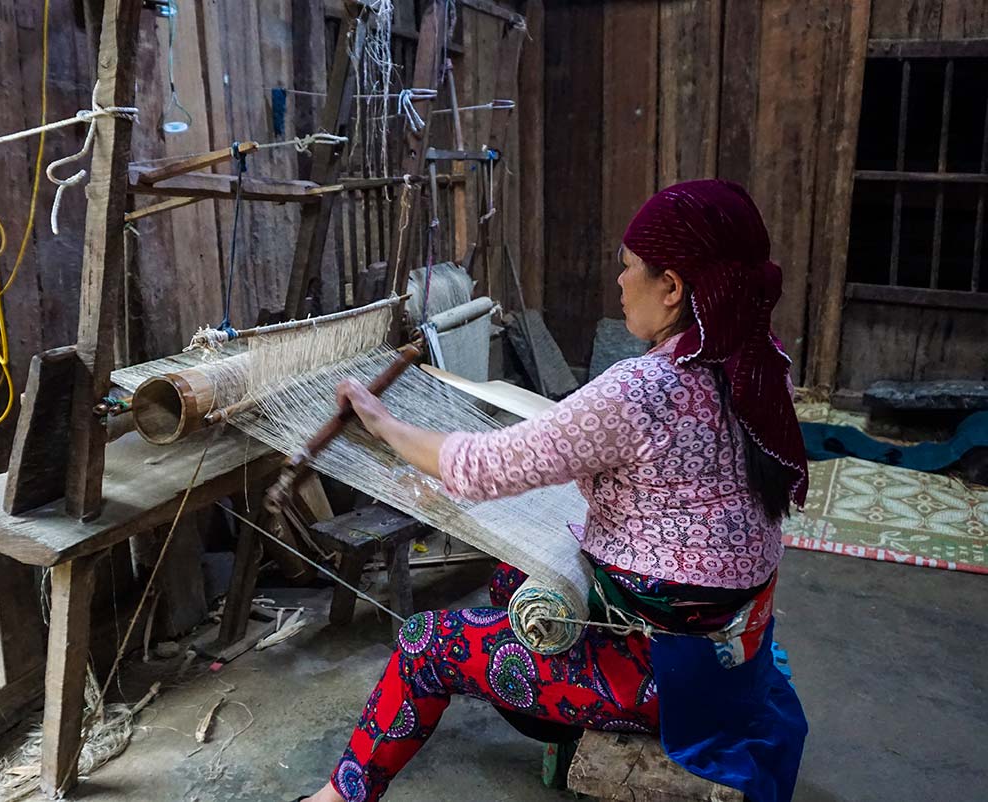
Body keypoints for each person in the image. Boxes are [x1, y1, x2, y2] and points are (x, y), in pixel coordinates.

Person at [299, 179, 809, 802]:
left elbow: (483, 466)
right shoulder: (757, 362)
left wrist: (380, 421)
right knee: (515, 580)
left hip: (673, 684)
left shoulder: (639, 391)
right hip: (733, 649)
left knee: (424, 644)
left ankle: (336, 798)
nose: (620, 283)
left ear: (672, 287)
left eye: (628, 270)